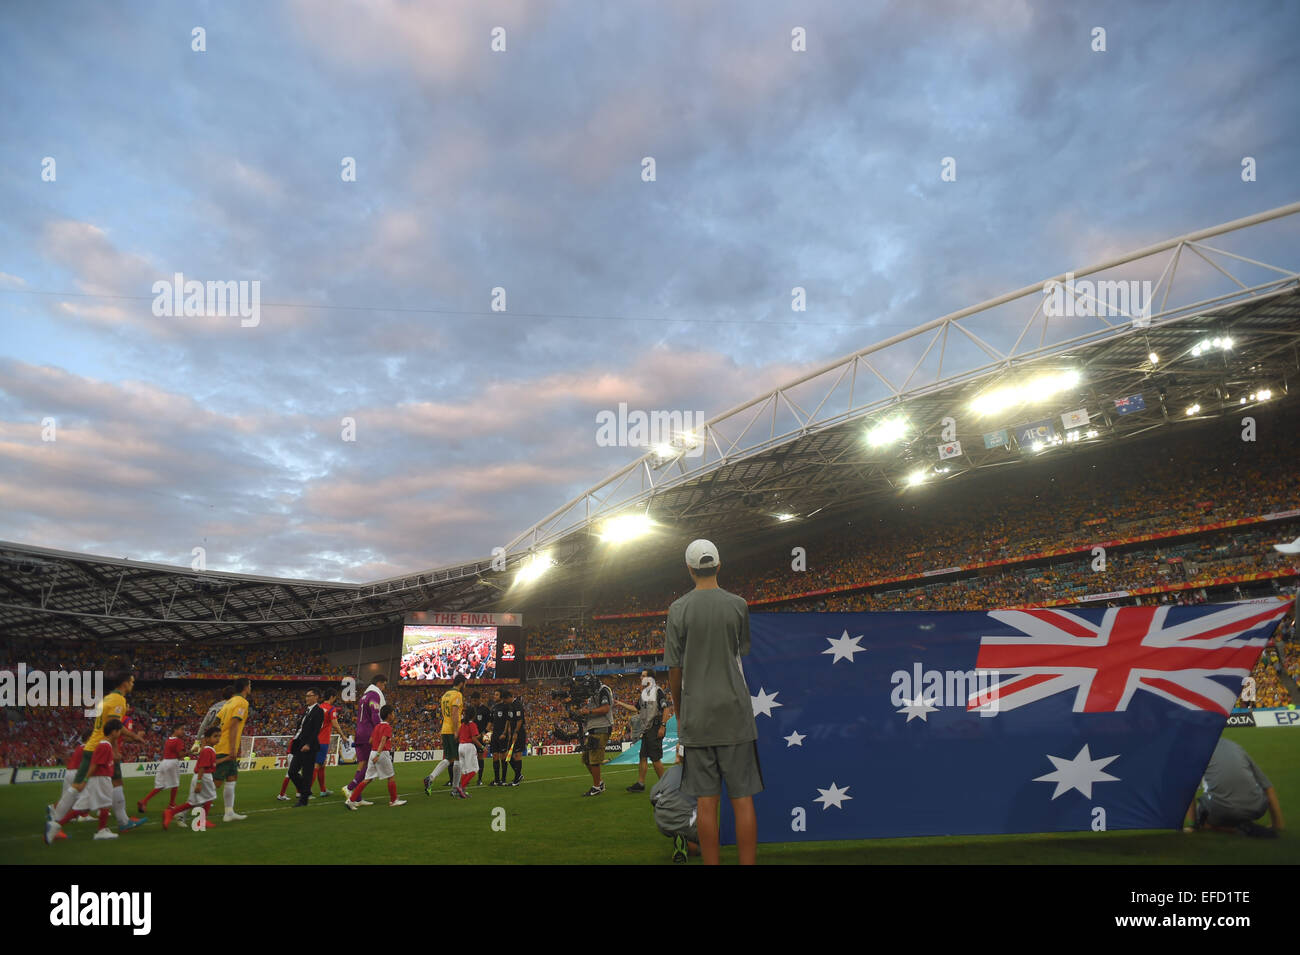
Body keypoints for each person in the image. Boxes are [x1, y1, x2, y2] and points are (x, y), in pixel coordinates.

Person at [666, 539, 762, 865]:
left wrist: (680, 712)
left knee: (706, 803)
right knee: (743, 799)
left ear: (689, 570)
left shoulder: (677, 610)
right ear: (719, 566)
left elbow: (674, 670)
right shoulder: (739, 605)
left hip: (698, 716)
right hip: (735, 713)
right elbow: (741, 653)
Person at [45, 670, 148, 834]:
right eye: (132, 681)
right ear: (125, 683)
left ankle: (55, 820)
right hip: (102, 747)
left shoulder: (106, 698)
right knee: (115, 783)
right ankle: (121, 822)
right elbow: (114, 726)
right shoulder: (118, 699)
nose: (133, 685)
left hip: (91, 746)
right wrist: (130, 740)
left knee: (78, 786)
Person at [46, 718, 125, 843]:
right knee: (105, 804)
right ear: (114, 732)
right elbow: (94, 765)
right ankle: (101, 831)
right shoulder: (105, 745)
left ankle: (57, 825)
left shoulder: (104, 745)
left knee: (83, 808)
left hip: (97, 779)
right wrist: (85, 780)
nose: (120, 733)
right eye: (119, 731)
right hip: (101, 779)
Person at [1188, 736, 1284, 837]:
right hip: (1256, 808)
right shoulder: (1235, 746)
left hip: (1221, 811)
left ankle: (1235, 829)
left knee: (1201, 814)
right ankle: (1242, 824)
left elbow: (1189, 791)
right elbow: (1268, 787)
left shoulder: (1196, 751)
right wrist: (1278, 824)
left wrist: (1192, 825)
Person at [617, 670, 673, 793]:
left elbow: (666, 709)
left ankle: (666, 787)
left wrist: (663, 726)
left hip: (655, 726)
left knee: (655, 758)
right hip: (647, 729)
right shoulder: (644, 693)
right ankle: (640, 784)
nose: (640, 677)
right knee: (642, 757)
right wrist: (620, 703)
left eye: (643, 676)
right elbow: (635, 708)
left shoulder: (657, 691)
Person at [345, 704, 405, 809]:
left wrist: (375, 751)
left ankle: (351, 800)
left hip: (373, 752)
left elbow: (370, 741)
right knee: (391, 777)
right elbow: (383, 740)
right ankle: (394, 800)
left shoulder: (377, 726)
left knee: (367, 779)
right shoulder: (387, 727)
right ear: (389, 715)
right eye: (393, 713)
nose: (394, 715)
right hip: (381, 753)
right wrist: (378, 753)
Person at [164, 722, 221, 830]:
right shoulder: (207, 751)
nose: (218, 739)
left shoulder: (209, 749)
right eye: (215, 736)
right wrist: (199, 782)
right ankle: (200, 821)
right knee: (208, 798)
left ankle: (172, 813)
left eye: (219, 736)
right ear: (207, 739)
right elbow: (202, 767)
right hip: (204, 777)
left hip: (204, 777)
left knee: (198, 801)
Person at [343, 675, 387, 803]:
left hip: (360, 732)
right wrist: (378, 730)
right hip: (369, 733)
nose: (384, 688)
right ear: (378, 683)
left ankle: (357, 798)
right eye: (384, 685)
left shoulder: (364, 696)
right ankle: (350, 788)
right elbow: (374, 714)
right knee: (370, 765)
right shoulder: (374, 695)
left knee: (363, 763)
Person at [214, 677, 251, 822]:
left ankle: (229, 812)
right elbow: (235, 724)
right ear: (246, 687)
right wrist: (232, 749)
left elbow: (216, 722)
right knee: (215, 784)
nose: (250, 688)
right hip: (226, 747)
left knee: (232, 778)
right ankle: (183, 811)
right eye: (250, 685)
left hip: (219, 744)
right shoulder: (242, 702)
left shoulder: (228, 702)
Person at [423, 674, 466, 795]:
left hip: (444, 729)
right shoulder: (457, 695)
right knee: (458, 759)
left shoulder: (445, 695)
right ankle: (455, 788)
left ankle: (431, 778)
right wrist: (457, 731)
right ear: (461, 683)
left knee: (449, 758)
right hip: (453, 730)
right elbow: (454, 713)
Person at [287, 688, 324, 807]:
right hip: (299, 745)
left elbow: (316, 730)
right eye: (306, 696)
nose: (307, 698)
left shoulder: (318, 711)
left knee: (307, 773)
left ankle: (303, 800)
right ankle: (306, 790)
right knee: (292, 771)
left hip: (309, 747)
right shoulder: (307, 711)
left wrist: (308, 744)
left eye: (309, 696)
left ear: (316, 697)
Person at [578, 673, 613, 797]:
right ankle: (599, 783)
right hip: (593, 728)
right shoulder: (592, 694)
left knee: (594, 759)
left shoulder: (603, 690)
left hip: (601, 727)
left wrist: (589, 711)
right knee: (586, 759)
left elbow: (606, 708)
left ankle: (597, 786)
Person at [138, 723, 185, 815]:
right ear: (175, 730)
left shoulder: (168, 740)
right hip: (172, 762)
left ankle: (144, 801)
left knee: (160, 785)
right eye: (181, 729)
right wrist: (190, 751)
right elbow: (180, 755)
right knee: (175, 784)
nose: (183, 731)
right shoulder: (178, 741)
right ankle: (172, 804)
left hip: (164, 762)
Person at [313, 686, 346, 796]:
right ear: (332, 697)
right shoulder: (331, 709)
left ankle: (323, 790)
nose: (335, 700)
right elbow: (335, 724)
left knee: (322, 765)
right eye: (334, 698)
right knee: (317, 765)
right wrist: (343, 735)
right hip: (323, 741)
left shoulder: (318, 707)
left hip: (314, 739)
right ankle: (306, 792)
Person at [488, 687, 512, 786]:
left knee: (503, 757)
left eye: (497, 694)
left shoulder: (505, 707)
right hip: (494, 735)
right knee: (495, 757)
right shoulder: (493, 708)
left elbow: (508, 721)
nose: (494, 696)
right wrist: (486, 732)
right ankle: (496, 780)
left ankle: (503, 779)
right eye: (495, 694)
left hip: (502, 735)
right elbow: (491, 722)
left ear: (501, 696)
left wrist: (505, 733)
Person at [468, 691, 491, 787]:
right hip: (472, 737)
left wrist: (483, 734)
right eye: (472, 701)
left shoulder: (485, 709)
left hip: (481, 737)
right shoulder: (471, 709)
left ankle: (479, 779)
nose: (474, 702)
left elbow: (490, 723)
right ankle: (467, 778)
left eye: (475, 700)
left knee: (480, 757)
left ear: (479, 699)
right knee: (469, 757)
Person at [506, 689, 526, 785]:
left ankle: (517, 779)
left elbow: (519, 720)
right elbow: (510, 721)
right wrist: (510, 733)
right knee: (508, 756)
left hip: (519, 732)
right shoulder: (510, 706)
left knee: (517, 754)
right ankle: (518, 774)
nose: (505, 701)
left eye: (506, 699)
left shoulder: (517, 705)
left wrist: (515, 733)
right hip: (513, 732)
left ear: (510, 697)